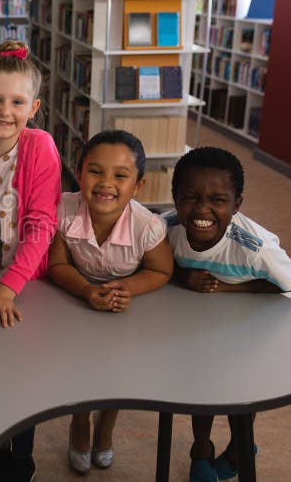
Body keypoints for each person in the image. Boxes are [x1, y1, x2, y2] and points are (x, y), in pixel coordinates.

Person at [166, 146, 291, 482]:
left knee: (241, 390)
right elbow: (157, 265)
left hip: (256, 321)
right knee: (203, 384)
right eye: (190, 197)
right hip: (205, 321)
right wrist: (182, 276)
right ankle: (201, 450)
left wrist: (227, 288)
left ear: (237, 204)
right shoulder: (166, 229)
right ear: (174, 197)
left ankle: (242, 447)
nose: (202, 210)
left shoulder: (255, 247)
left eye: (218, 199)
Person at [0, 40, 62, 482]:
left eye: (17, 102)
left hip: (22, 284)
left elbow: (41, 224)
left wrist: (8, 286)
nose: (5, 111)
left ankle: (20, 459)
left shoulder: (38, 146)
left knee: (20, 375)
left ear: (34, 106)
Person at [47, 130, 174, 475]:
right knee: (79, 366)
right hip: (76, 299)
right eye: (95, 171)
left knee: (117, 371)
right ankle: (80, 423)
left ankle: (106, 427)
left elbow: (161, 271)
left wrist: (127, 288)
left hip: (123, 307)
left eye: (120, 175)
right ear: (79, 171)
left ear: (139, 186)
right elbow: (57, 265)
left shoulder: (147, 226)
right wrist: (87, 291)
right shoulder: (64, 210)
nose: (106, 183)